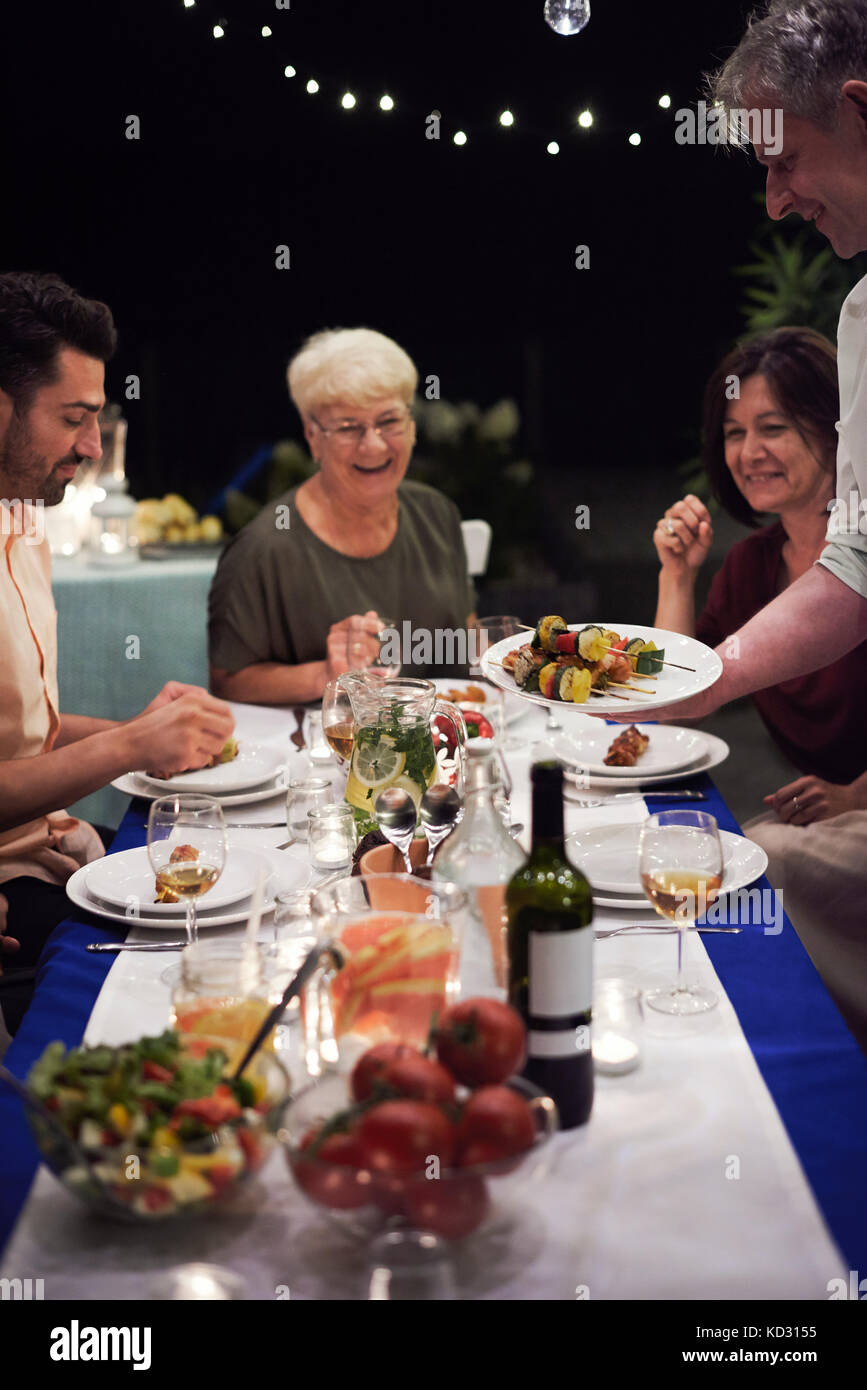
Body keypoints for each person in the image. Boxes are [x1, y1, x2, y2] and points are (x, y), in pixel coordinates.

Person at [0, 272, 234, 1034]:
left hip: (55, 849)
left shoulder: (23, 518)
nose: (93, 448)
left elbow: (24, 727)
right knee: (194, 988)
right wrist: (133, 745)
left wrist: (136, 732)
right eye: (74, 419)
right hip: (16, 891)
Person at [653, 326, 867, 822]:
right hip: (829, 818)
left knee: (758, 865)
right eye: (734, 433)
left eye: (773, 428)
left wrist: (856, 796)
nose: (749, 453)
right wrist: (677, 575)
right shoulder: (751, 567)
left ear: (835, 428)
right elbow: (674, 704)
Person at [208, 327, 476, 704]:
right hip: (325, 749)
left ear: (412, 426)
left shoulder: (437, 513)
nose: (373, 444)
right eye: (349, 427)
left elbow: (465, 633)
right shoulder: (263, 548)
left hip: (444, 742)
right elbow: (228, 681)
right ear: (313, 437)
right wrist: (323, 674)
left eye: (389, 421)